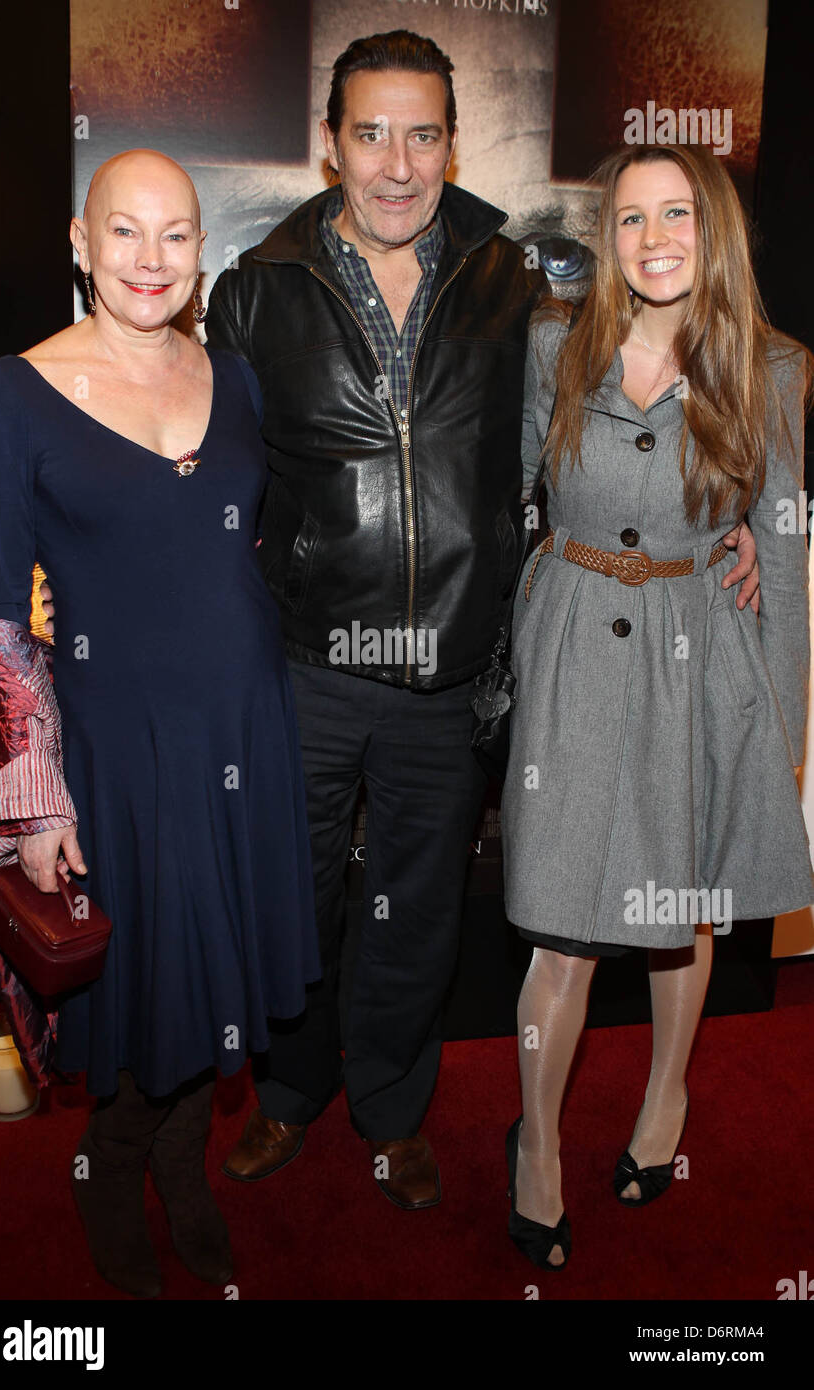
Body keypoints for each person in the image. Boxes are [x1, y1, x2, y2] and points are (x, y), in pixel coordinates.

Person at [203, 31, 760, 1210]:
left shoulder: (518, 286)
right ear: (330, 146)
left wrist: (734, 520)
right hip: (307, 661)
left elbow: (645, 389)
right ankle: (293, 1092)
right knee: (292, 899)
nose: (397, 164)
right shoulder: (257, 290)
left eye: (422, 134)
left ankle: (394, 1114)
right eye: (370, 134)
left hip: (455, 666)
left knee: (416, 911)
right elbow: (211, 484)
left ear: (452, 142)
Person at [0, 149, 319, 1297]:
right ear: (79, 242)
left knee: (212, 976)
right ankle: (111, 1161)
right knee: (146, 980)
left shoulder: (239, 380)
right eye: (125, 233)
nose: (151, 259)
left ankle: (180, 1158)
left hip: (241, 730)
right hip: (115, 751)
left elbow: (238, 551)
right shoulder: (14, 393)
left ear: (201, 248)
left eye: (176, 235)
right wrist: (32, 802)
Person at [501, 141, 813, 1270]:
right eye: (630, 219)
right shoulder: (553, 346)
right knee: (561, 925)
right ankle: (535, 1142)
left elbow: (777, 550)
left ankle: (665, 1097)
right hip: (579, 642)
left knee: (680, 910)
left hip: (699, 649)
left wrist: (781, 736)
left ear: (712, 226)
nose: (654, 238)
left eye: (675, 213)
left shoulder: (769, 369)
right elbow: (515, 496)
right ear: (608, 240)